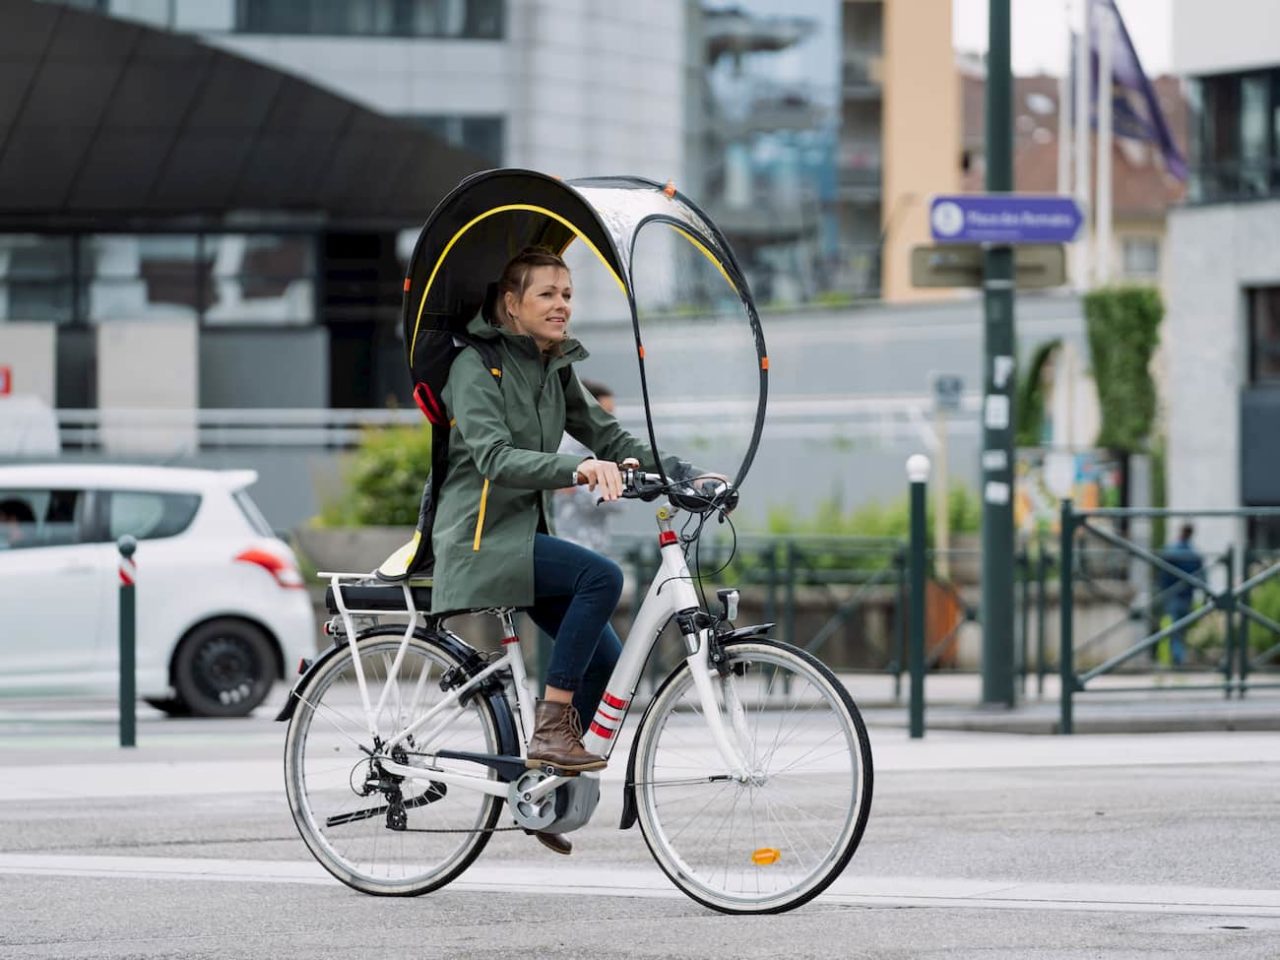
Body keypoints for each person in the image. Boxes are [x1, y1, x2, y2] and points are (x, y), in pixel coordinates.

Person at [430, 246, 716, 854]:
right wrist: (580, 470)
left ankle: (545, 793)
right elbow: (493, 458)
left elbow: (606, 431)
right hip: (478, 539)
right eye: (547, 295)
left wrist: (677, 471)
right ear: (511, 303)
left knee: (609, 666)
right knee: (601, 578)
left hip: (523, 539)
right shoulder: (474, 368)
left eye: (567, 294)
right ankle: (551, 728)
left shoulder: (551, 364)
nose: (562, 305)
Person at [554, 378, 623, 554]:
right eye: (605, 413)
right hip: (564, 544)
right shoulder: (557, 449)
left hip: (597, 546)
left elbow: (618, 502)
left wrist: (577, 487)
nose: (610, 420)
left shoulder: (606, 451)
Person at [1158, 523, 1203, 668]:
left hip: (1173, 595)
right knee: (1181, 629)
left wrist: (1163, 590)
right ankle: (1179, 656)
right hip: (1187, 596)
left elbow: (1163, 575)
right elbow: (1201, 576)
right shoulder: (1195, 554)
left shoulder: (1171, 552)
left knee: (1175, 628)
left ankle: (1178, 658)